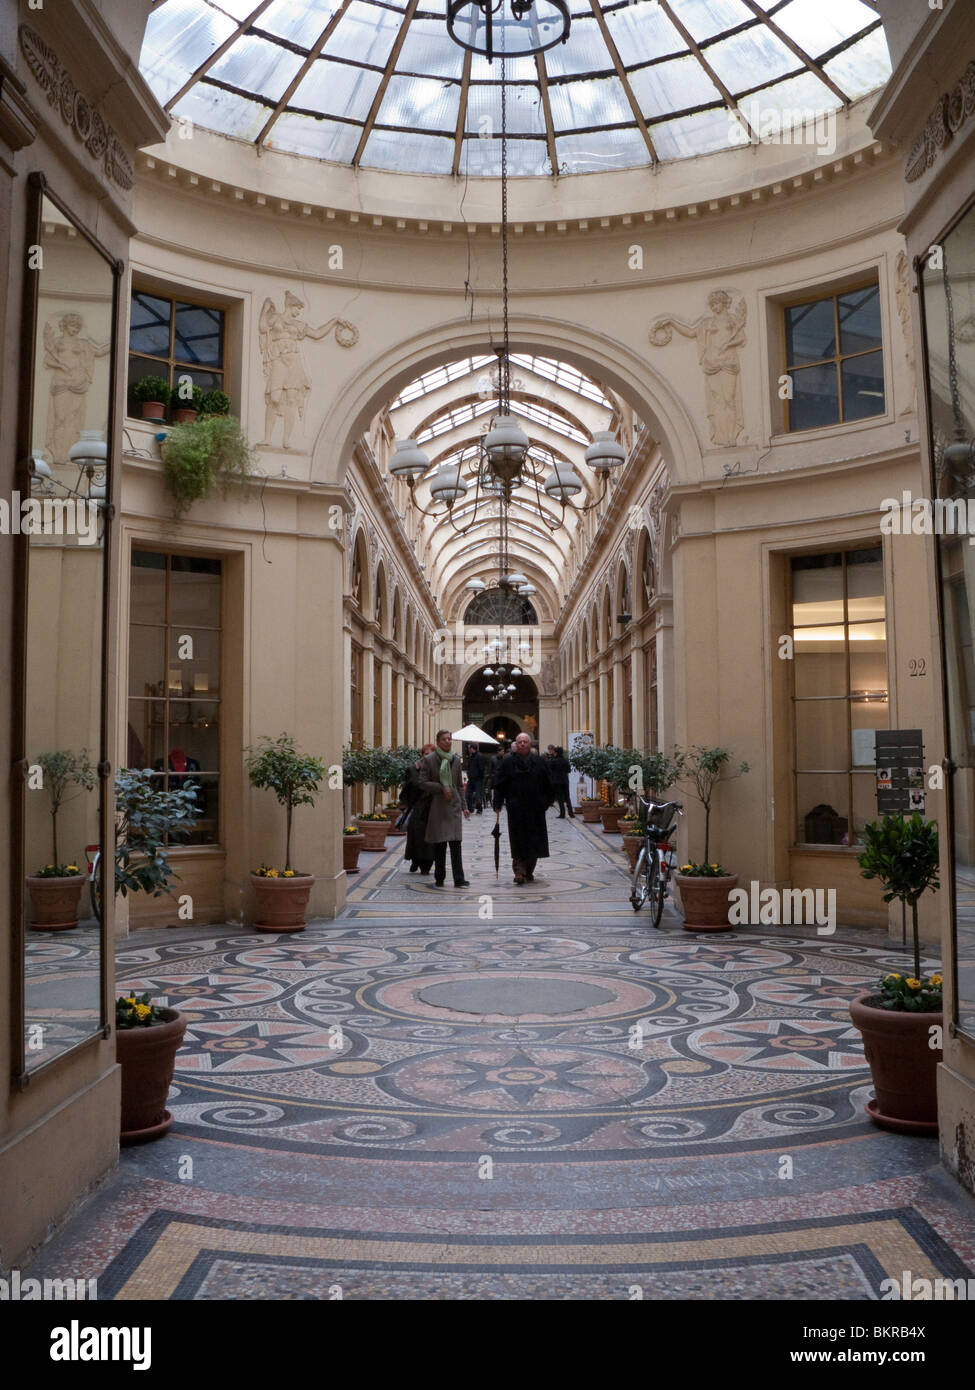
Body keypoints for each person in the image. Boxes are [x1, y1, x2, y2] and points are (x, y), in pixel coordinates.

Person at [492, 731, 554, 884]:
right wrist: (498, 803)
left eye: (525, 741)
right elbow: (500, 784)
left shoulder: (539, 762)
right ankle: (519, 871)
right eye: (519, 742)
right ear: (516, 744)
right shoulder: (507, 762)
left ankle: (529, 870)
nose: (522, 744)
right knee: (518, 839)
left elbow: (549, 784)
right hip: (516, 808)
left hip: (536, 809)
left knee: (534, 840)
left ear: (530, 743)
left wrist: (545, 803)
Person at [419, 730, 471, 887]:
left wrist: (464, 806)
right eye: (444, 739)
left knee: (456, 843)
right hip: (437, 806)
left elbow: (459, 785)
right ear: (438, 741)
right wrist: (441, 787)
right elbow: (422, 782)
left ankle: (459, 878)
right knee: (440, 844)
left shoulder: (455, 759)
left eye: (449, 739)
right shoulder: (429, 760)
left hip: (453, 804)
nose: (448, 741)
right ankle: (439, 877)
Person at [400, 743, 435, 874]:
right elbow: (406, 790)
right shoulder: (412, 769)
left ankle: (426, 864)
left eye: (431, 754)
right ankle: (416, 860)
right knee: (416, 837)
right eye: (426, 754)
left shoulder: (436, 770)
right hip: (416, 808)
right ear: (422, 754)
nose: (428, 757)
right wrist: (404, 806)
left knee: (429, 839)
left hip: (431, 809)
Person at [547, 745, 574, 818]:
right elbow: (569, 770)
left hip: (557, 781)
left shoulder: (553, 761)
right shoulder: (565, 761)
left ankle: (562, 814)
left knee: (560, 798)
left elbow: (549, 770)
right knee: (567, 797)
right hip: (565, 781)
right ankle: (571, 813)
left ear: (556, 753)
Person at [466, 744, 485, 814]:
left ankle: (479, 809)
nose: (468, 749)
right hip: (471, 779)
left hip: (478, 779)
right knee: (468, 794)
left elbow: (482, 768)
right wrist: (469, 773)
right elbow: (469, 766)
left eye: (469, 748)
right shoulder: (471, 756)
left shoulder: (480, 756)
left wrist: (478, 776)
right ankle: (470, 809)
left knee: (478, 795)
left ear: (472, 748)